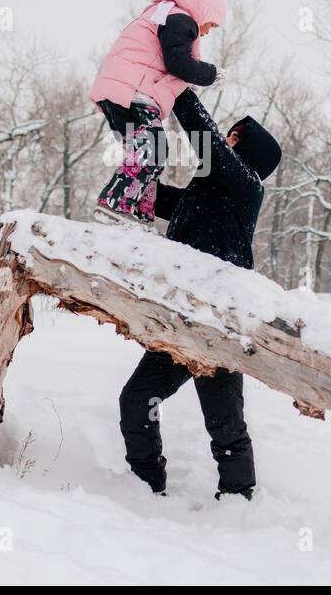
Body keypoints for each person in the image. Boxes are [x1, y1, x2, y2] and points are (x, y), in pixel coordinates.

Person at [117, 87, 281, 500]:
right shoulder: (206, 192)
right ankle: (144, 486)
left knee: (225, 425)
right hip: (180, 321)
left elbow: (203, 139)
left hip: (219, 326)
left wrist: (178, 89)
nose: (226, 140)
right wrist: (132, 185)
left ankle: (239, 499)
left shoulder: (246, 187)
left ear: (248, 153)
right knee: (136, 401)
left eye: (234, 138)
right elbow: (162, 199)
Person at [89, 0, 226, 225]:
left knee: (151, 151)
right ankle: (114, 204)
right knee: (152, 148)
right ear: (206, 9)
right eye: (213, 23)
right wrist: (210, 74)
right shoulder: (180, 19)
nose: (209, 31)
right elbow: (178, 63)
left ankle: (140, 213)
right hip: (132, 92)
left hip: (123, 90)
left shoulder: (166, 13)